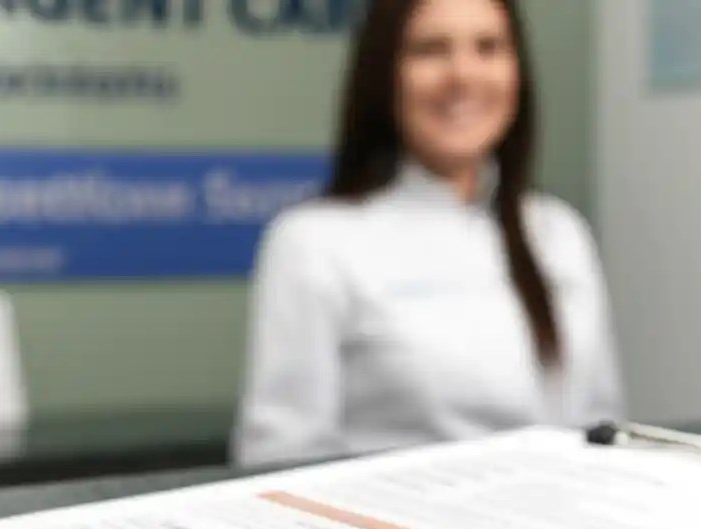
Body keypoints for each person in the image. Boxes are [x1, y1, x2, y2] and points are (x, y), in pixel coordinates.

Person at [233, 0, 624, 467]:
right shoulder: (314, 242)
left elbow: (605, 433)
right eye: (430, 50)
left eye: (488, 47)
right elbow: (276, 459)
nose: (463, 74)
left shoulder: (560, 233)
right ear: (385, 74)